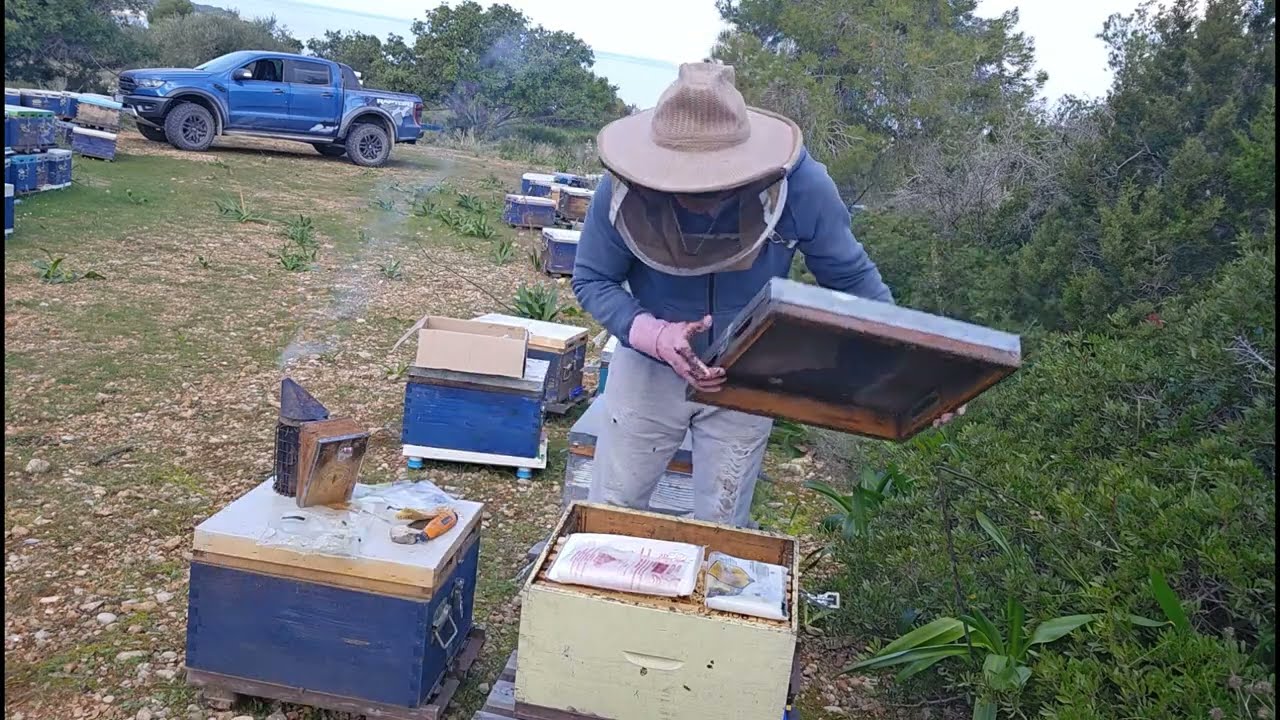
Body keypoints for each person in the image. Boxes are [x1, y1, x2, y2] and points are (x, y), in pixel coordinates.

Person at [572, 62, 959, 528]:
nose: (700, 195)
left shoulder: (804, 187)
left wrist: (916, 369)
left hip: (749, 374)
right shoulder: (620, 193)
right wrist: (655, 335)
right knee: (611, 513)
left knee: (722, 527)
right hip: (648, 370)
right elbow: (592, 279)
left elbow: (854, 280)